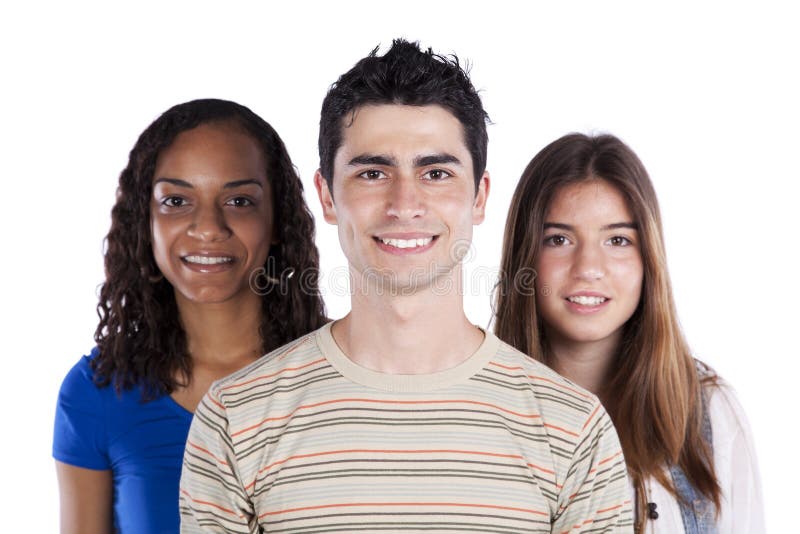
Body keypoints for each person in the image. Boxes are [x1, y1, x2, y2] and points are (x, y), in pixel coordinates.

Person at [180, 40, 632, 533]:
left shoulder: (573, 430)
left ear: (479, 197)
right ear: (327, 197)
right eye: (373, 172)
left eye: (436, 172)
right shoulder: (235, 418)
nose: (404, 204)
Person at [53, 98, 327, 533]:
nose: (208, 227)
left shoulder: (341, 376)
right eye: (177, 200)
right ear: (145, 220)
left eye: (238, 200)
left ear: (276, 220)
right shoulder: (98, 393)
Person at [494, 133, 764, 533]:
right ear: (525, 257)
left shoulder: (708, 414)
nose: (589, 267)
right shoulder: (480, 408)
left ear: (648, 259)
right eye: (559, 239)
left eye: (617, 240)